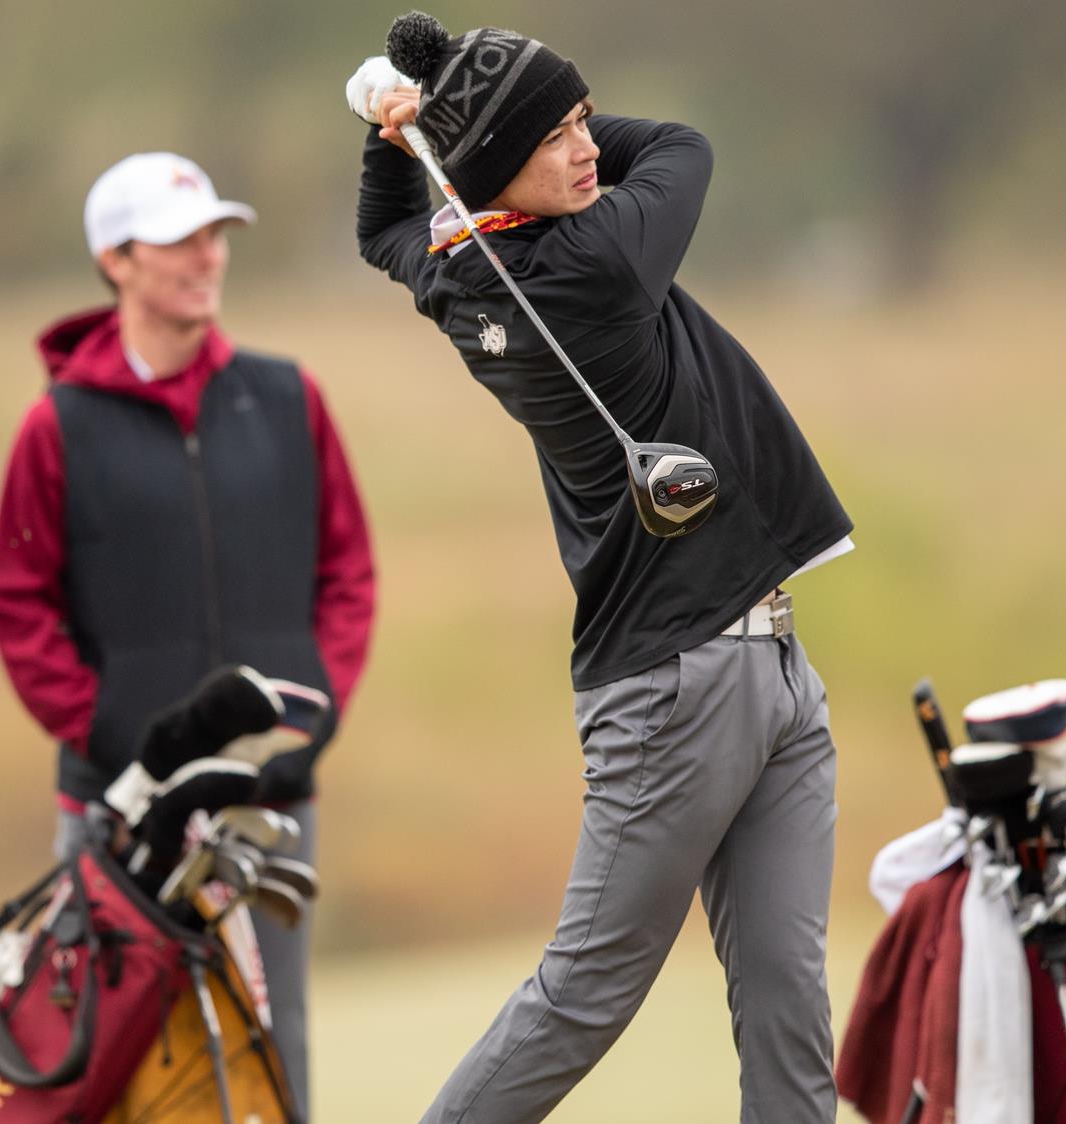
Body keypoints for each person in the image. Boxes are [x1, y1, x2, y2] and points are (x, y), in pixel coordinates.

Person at [349, 12, 855, 1123]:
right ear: (490, 168)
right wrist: (432, 124)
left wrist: (402, 134)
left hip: (762, 664)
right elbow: (677, 144)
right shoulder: (592, 261)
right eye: (557, 134)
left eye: (584, 121)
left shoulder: (459, 273)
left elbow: (384, 231)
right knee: (584, 993)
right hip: (676, 685)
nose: (587, 147)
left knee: (785, 997)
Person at [0, 151, 376, 1116]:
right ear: (116, 260)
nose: (207, 258)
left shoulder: (287, 399)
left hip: (267, 795)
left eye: (216, 237)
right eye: (180, 241)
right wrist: (115, 731)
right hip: (116, 802)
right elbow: (21, 606)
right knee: (106, 1053)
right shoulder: (58, 426)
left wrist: (310, 711)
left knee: (272, 1042)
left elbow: (347, 573)